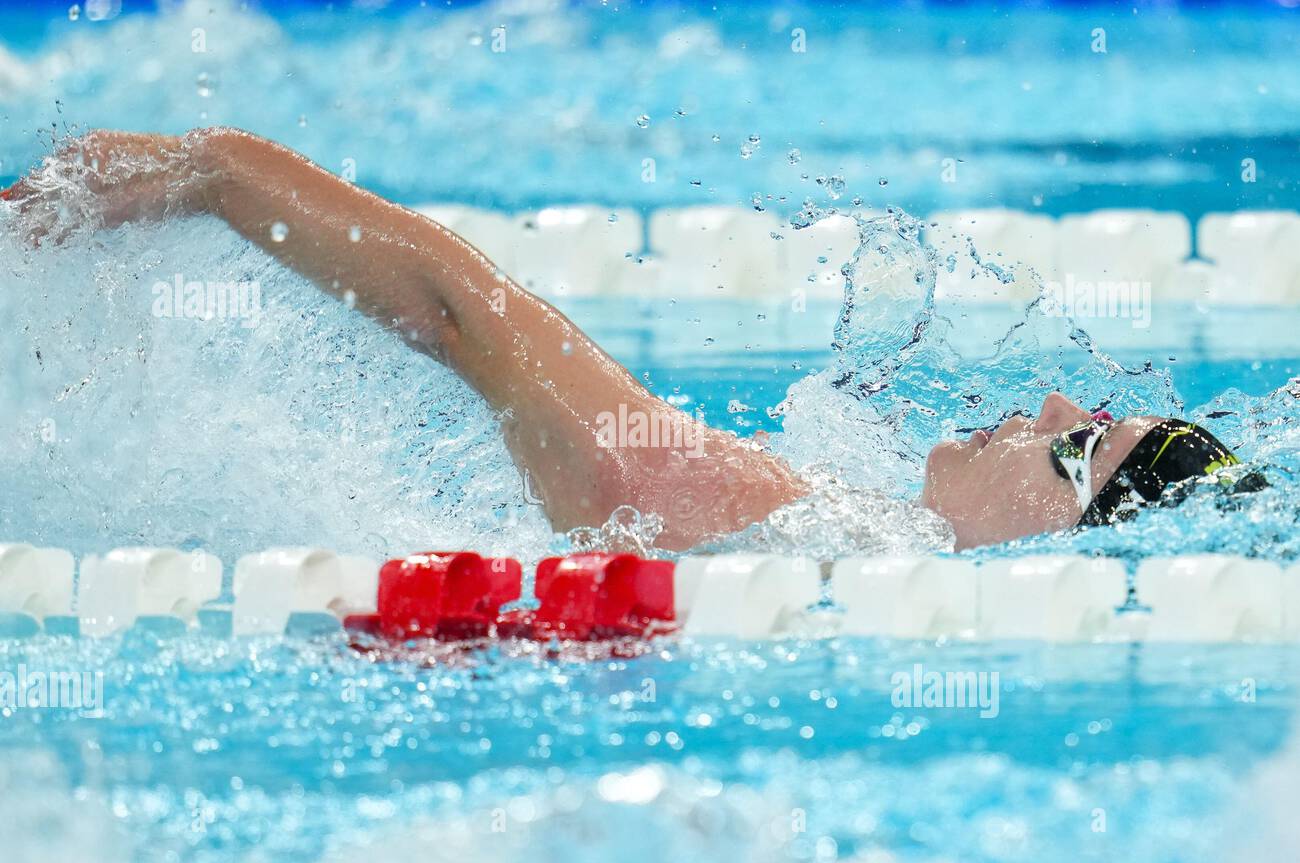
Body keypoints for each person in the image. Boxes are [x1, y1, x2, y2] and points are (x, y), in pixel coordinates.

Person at [0, 128, 1251, 552]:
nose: (1038, 402)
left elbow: (456, 308)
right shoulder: (839, 551)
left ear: (1055, 550)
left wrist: (217, 171)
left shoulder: (767, 516)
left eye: (1070, 452)